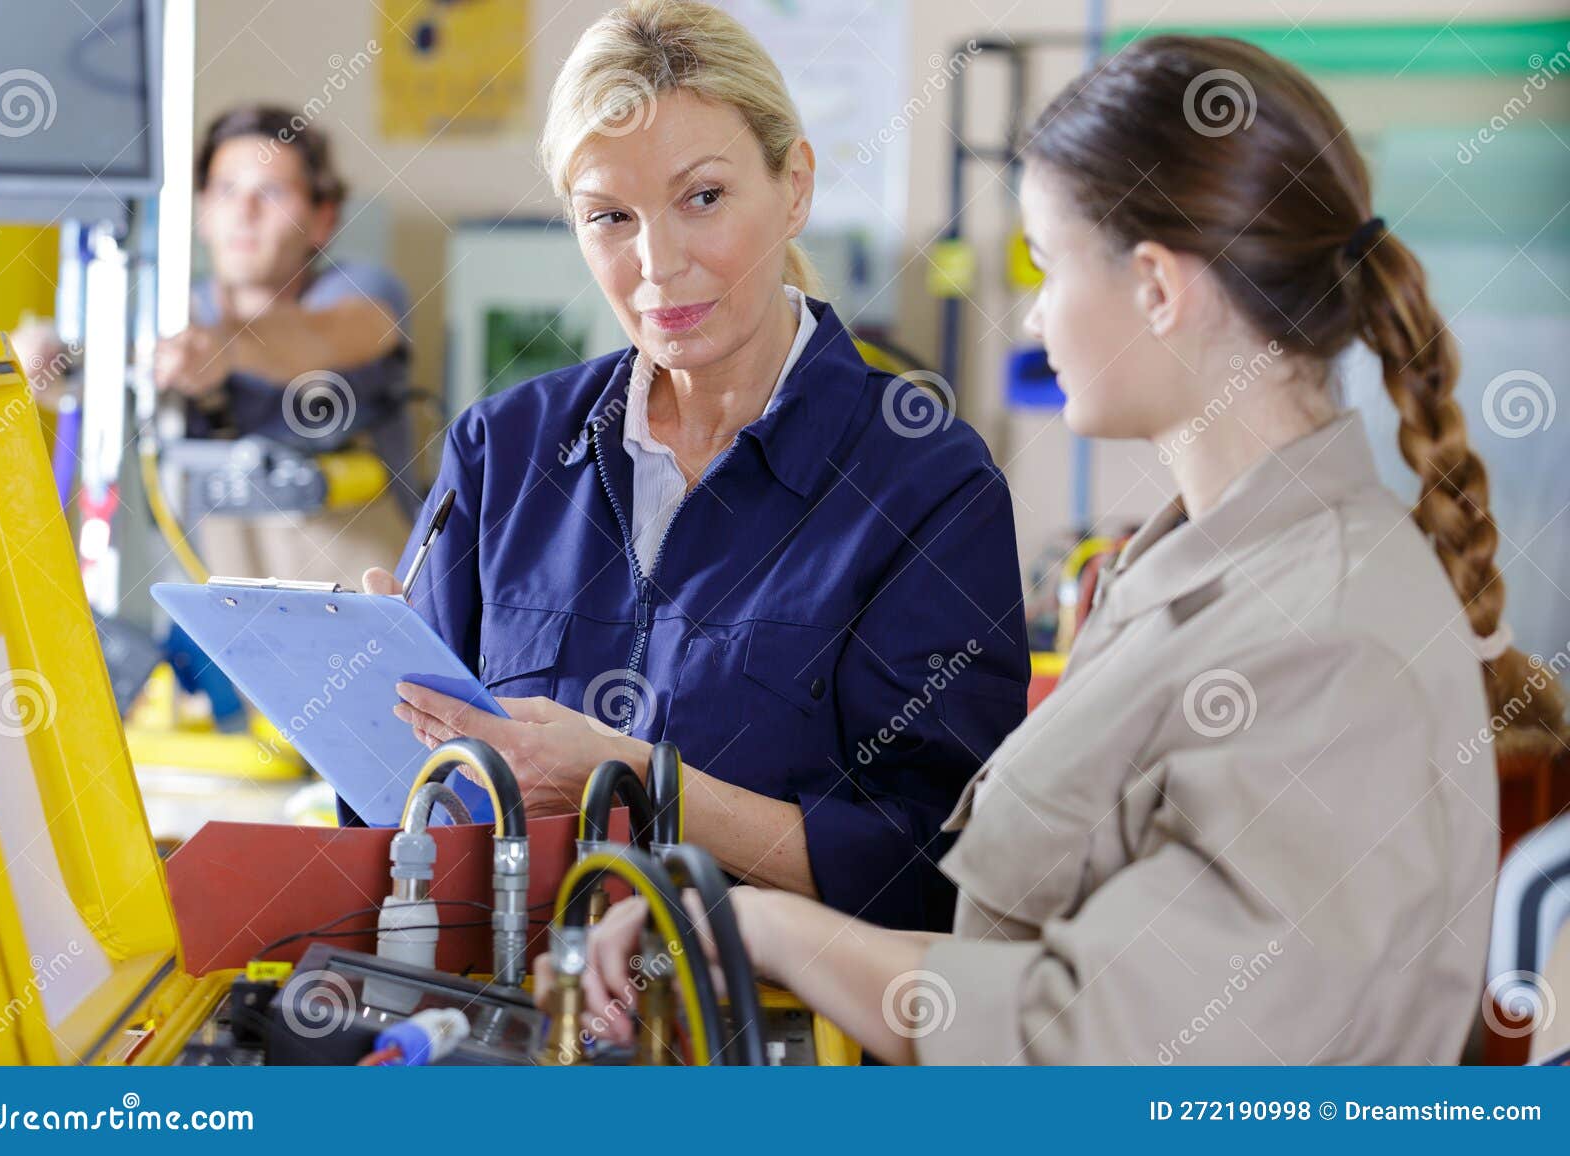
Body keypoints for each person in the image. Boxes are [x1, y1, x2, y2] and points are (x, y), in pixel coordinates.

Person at [543, 34, 1570, 1063]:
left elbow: (1105, 1047)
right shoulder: (1183, 575)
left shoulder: (1328, 637)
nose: (1034, 312)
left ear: (1158, 288)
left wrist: (762, 926)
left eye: (1048, 262)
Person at [361, 0, 1029, 932]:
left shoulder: (926, 485)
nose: (657, 264)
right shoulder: (501, 451)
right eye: (609, 217)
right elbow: (398, 818)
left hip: (764, 1042)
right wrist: (369, 693)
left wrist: (638, 782)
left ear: (793, 184)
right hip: (510, 1018)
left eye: (703, 198)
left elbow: (942, 872)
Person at [160, 105, 418, 585]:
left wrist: (228, 349)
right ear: (201, 213)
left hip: (365, 612)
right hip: (220, 618)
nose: (244, 211)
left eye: (271, 192)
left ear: (323, 220)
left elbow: (327, 335)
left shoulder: (360, 291)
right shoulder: (171, 310)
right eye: (225, 189)